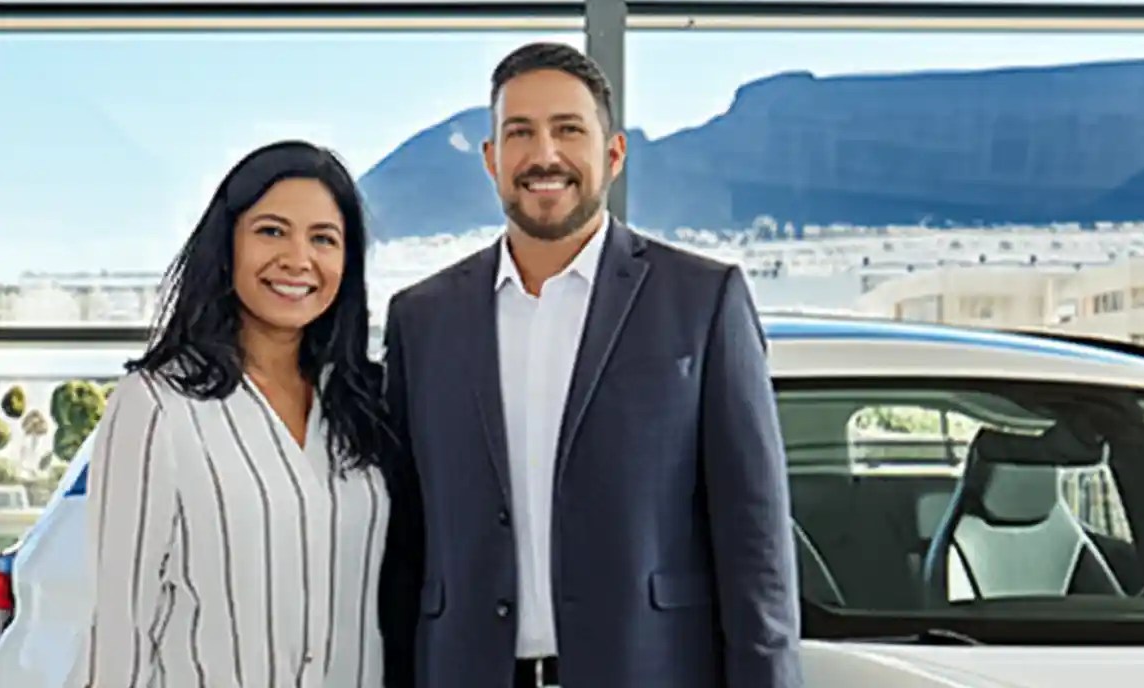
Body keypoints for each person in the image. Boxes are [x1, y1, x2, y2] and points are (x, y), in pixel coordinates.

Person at [381, 42, 802, 687]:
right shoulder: (422, 318)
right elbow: (406, 547)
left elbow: (757, 550)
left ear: (613, 154)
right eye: (519, 132)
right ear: (492, 161)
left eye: (568, 130)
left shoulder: (702, 301)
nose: (543, 155)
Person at [68, 140, 398, 688]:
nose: (298, 259)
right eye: (271, 231)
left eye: (324, 239)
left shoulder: (363, 403)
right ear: (227, 246)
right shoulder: (155, 405)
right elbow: (120, 628)